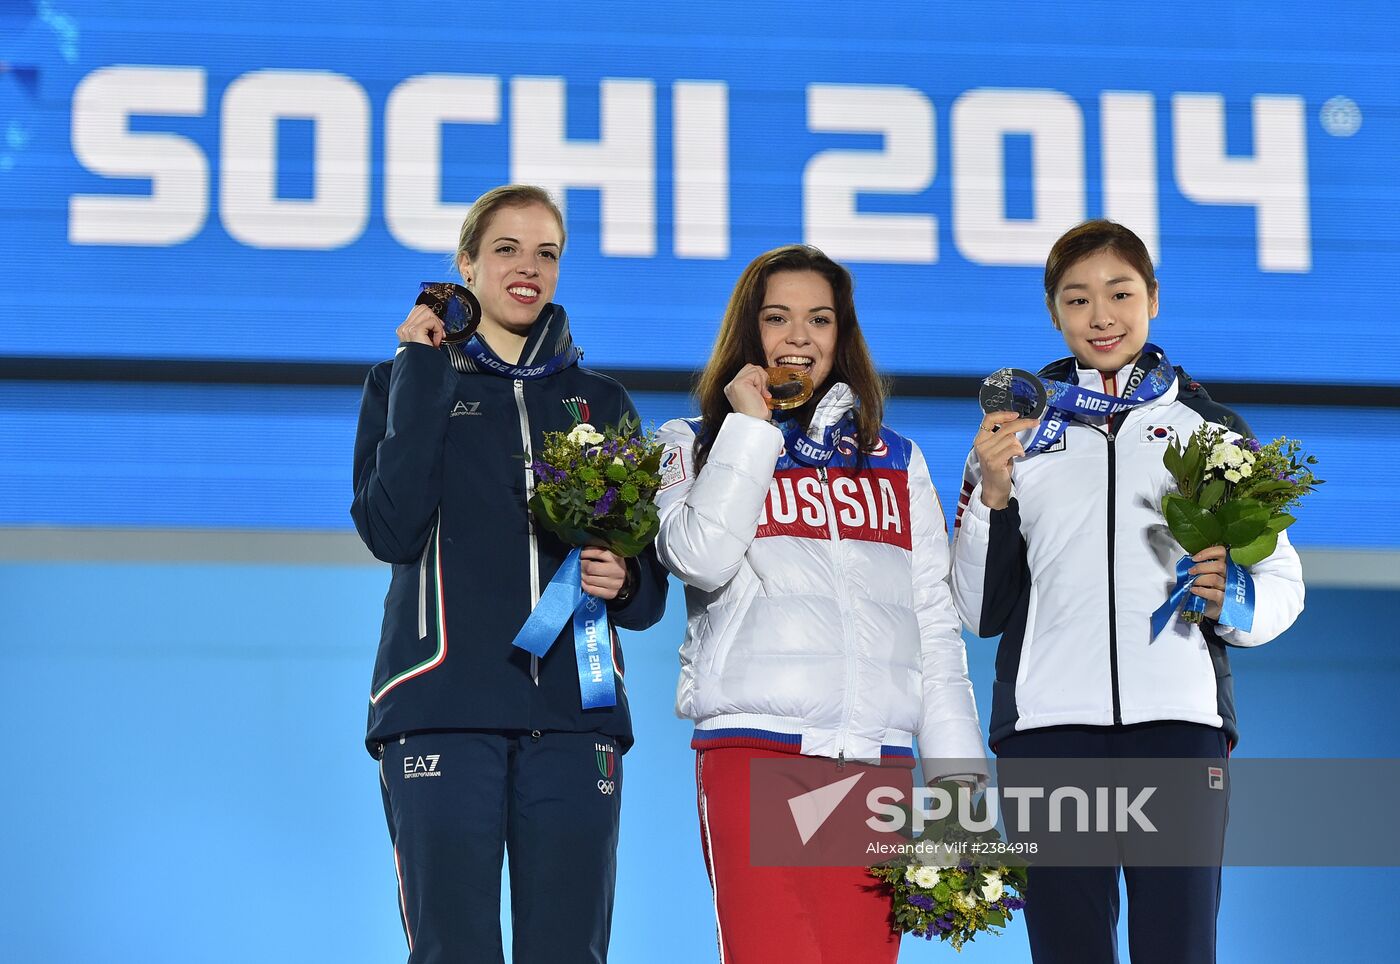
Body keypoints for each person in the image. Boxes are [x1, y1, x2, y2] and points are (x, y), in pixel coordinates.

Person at [950, 219, 1305, 964]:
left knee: (1179, 947)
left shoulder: (1212, 429)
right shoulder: (1014, 434)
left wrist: (1231, 598)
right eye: (1077, 299)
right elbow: (978, 610)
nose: (1101, 316)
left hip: (1178, 728)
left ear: (1153, 299)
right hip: (1049, 734)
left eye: (1120, 293)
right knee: (1067, 950)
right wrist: (991, 495)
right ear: (1054, 312)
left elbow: (1280, 579)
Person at [350, 184, 669, 964]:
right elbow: (390, 528)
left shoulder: (601, 401)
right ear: (466, 264)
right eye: (507, 250)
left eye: (546, 253)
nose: (528, 268)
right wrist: (422, 368)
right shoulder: (402, 382)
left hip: (576, 714)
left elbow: (649, 593)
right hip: (441, 704)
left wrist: (624, 580)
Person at [653, 244, 989, 963]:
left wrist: (960, 791)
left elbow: (934, 628)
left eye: (820, 319)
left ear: (843, 335)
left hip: (876, 765)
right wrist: (750, 430)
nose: (799, 337)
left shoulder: (895, 459)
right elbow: (697, 558)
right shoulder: (693, 443)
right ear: (750, 331)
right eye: (777, 318)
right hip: (756, 756)